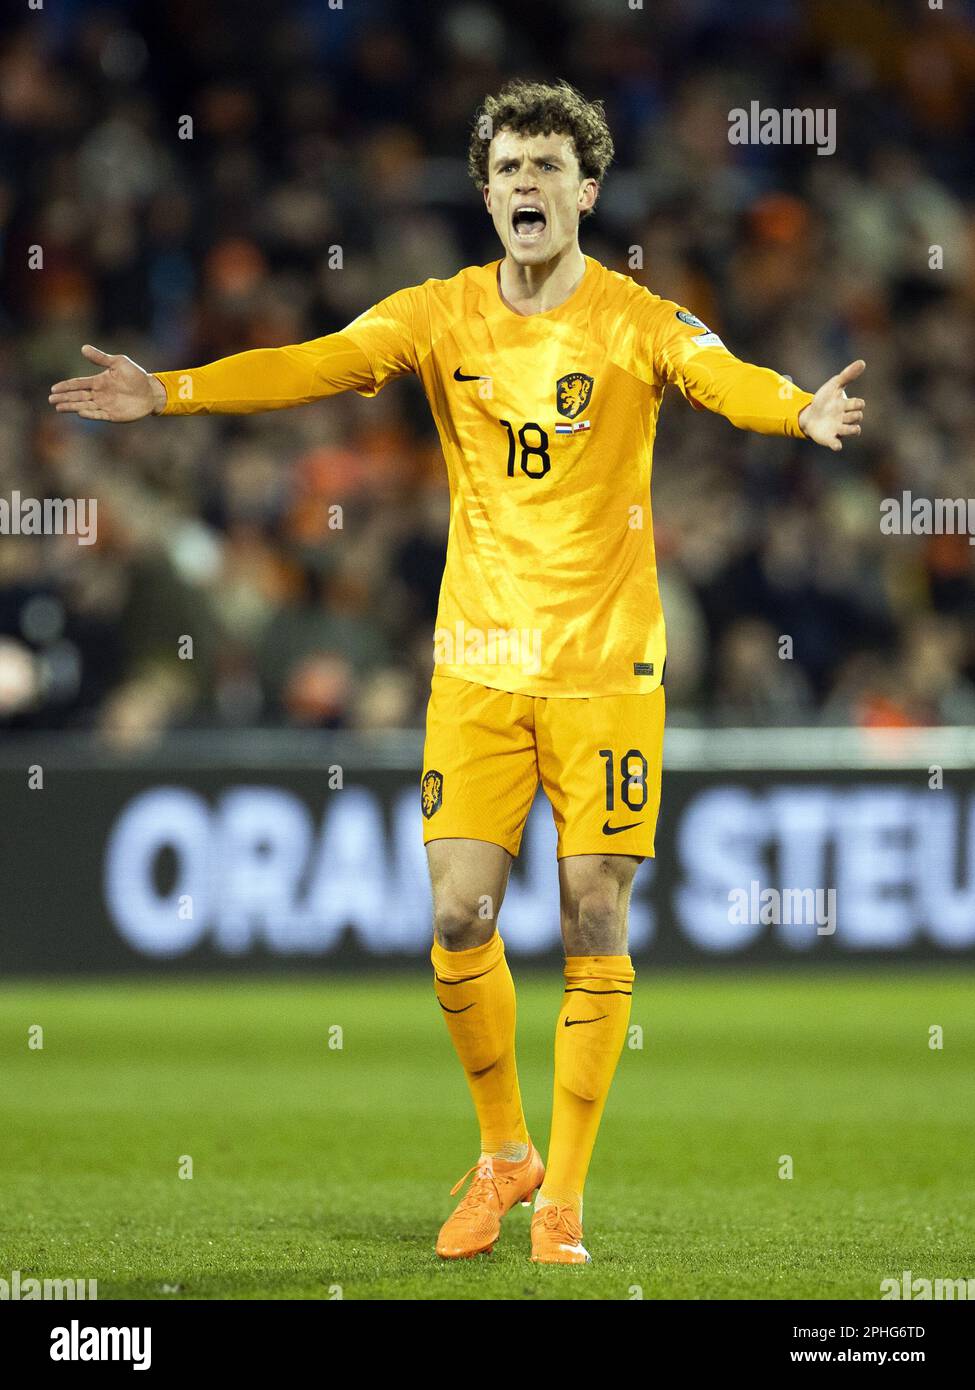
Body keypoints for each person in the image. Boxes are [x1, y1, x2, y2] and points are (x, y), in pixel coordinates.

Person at [49, 79, 865, 1265]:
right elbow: (318, 362)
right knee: (455, 911)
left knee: (594, 912)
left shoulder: (637, 319)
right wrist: (169, 391)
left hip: (606, 670)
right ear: (484, 195)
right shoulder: (439, 316)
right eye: (508, 170)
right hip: (478, 666)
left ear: (586, 192)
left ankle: (567, 1200)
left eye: (548, 169)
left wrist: (799, 415)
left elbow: (724, 374)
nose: (527, 187)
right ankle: (505, 1152)